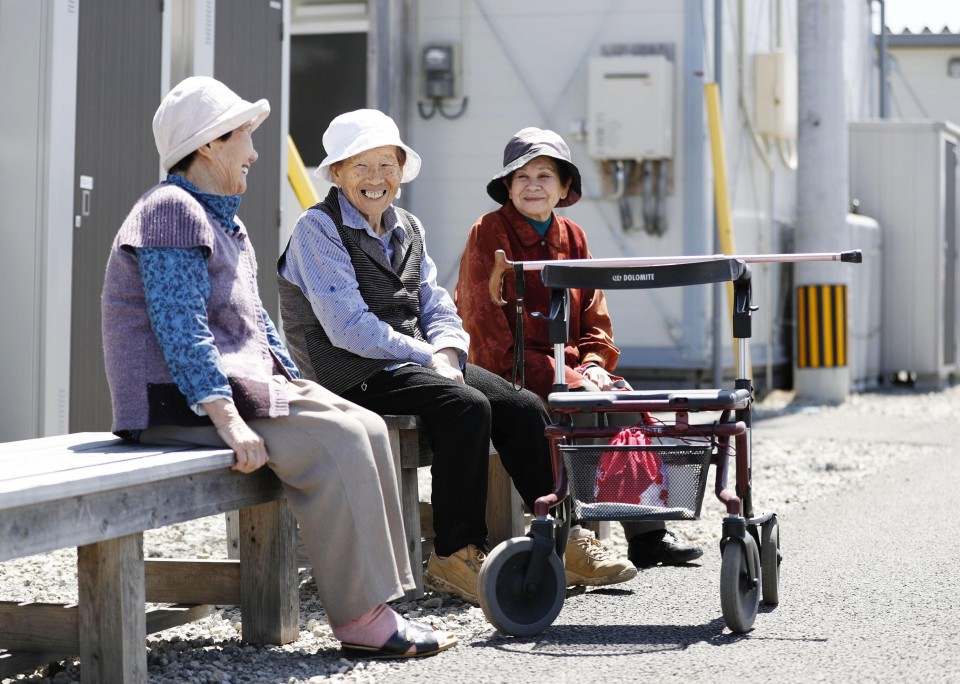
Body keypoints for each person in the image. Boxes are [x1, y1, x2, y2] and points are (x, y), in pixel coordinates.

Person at [100, 77, 456, 660]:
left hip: (235, 389)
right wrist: (229, 422)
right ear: (209, 144)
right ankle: (360, 617)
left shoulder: (224, 220)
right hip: (176, 401)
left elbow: (256, 321)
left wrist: (294, 381)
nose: (254, 152)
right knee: (340, 439)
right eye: (244, 136)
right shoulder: (171, 211)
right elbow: (180, 328)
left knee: (367, 425)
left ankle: (382, 599)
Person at [277, 109, 637, 605]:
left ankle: (562, 532)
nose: (376, 179)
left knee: (522, 406)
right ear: (336, 173)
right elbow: (348, 328)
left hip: (412, 363)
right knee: (465, 406)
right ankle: (454, 553)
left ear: (401, 172)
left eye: (387, 165)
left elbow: (437, 304)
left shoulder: (407, 226)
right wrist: (431, 356)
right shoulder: (316, 229)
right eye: (361, 166)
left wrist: (447, 349)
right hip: (346, 373)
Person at [453, 127, 704, 569]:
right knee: (583, 400)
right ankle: (575, 533)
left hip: (570, 368)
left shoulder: (573, 235)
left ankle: (647, 535)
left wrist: (593, 363)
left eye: (544, 175)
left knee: (622, 399)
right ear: (507, 186)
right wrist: (563, 375)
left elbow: (594, 316)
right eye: (522, 176)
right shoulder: (487, 232)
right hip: (508, 370)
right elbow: (483, 326)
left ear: (564, 185)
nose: (532, 185)